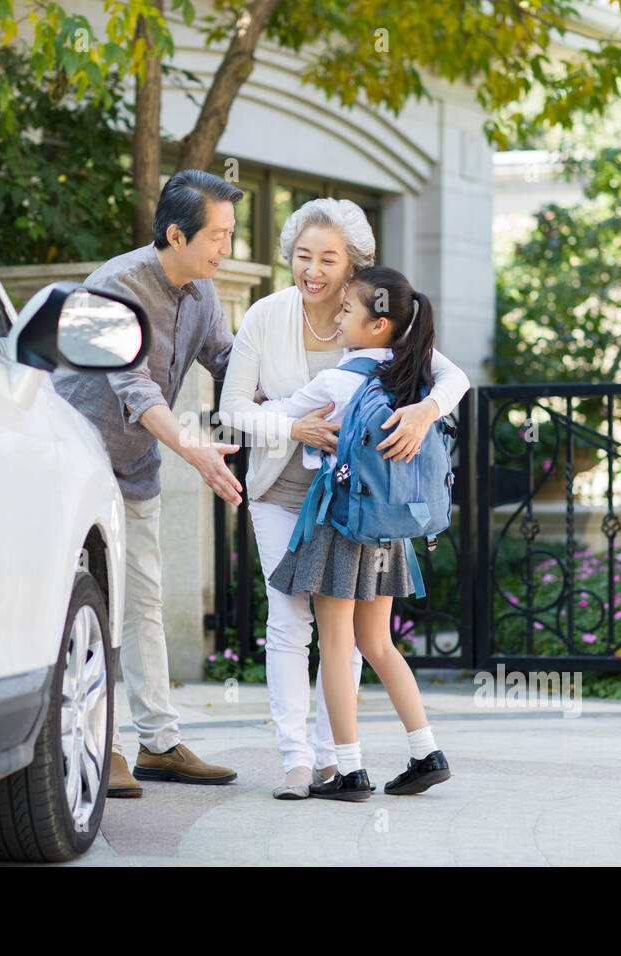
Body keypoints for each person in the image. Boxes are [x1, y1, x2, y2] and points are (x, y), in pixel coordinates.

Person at [216, 199, 469, 799]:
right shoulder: (267, 316)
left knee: (343, 632)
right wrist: (294, 430)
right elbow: (233, 409)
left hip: (353, 508)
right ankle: (300, 761)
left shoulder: (378, 316)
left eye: (328, 259)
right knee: (293, 621)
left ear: (353, 265)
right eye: (303, 256)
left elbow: (452, 378)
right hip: (287, 491)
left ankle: (338, 760)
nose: (313, 270)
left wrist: (424, 410)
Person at [51, 170, 245, 797]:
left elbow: (229, 364)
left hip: (136, 468)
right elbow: (135, 391)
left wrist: (297, 412)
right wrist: (198, 453)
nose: (226, 249)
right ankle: (94, 743)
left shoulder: (202, 291)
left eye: (230, 235)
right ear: (175, 233)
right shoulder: (112, 286)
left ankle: (159, 743)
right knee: (89, 605)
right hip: (75, 467)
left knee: (145, 603)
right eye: (218, 236)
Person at [259, 266, 454, 801]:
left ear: (376, 326)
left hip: (341, 523)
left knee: (337, 643)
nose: (338, 318)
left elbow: (281, 414)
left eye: (347, 311)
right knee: (378, 643)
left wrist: (258, 413)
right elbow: (455, 382)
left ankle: (349, 769)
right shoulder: (411, 374)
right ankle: (425, 750)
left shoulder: (336, 380)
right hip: (390, 530)